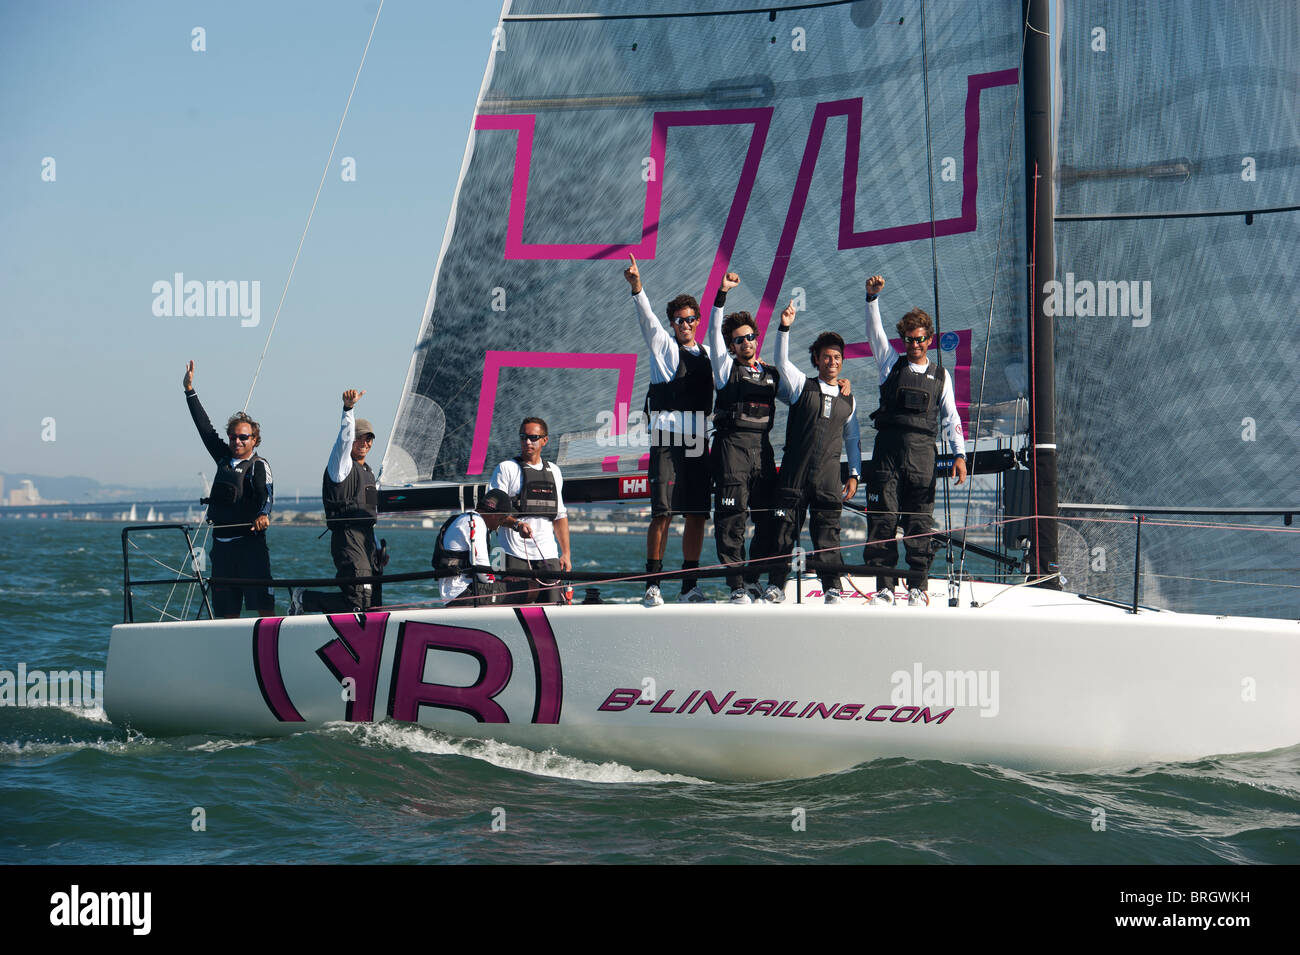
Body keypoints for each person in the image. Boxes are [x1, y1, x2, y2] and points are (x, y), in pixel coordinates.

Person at [861, 275, 967, 605]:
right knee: (883, 520)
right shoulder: (890, 363)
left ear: (929, 339)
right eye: (909, 340)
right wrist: (871, 299)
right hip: (888, 454)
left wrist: (960, 455)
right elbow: (874, 334)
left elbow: (951, 417)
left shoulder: (941, 375)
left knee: (919, 523)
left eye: (920, 340)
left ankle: (918, 586)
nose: (915, 345)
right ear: (903, 340)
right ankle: (884, 587)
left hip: (923, 455)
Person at [622, 254, 712, 606]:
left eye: (690, 319)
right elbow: (647, 321)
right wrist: (637, 288)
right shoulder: (663, 347)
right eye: (679, 320)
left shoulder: (709, 353)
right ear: (672, 324)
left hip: (698, 441)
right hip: (666, 439)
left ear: (698, 321)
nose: (685, 324)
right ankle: (653, 583)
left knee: (697, 514)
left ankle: (690, 585)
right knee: (662, 511)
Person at [706, 272, 797, 604]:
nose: (746, 343)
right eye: (739, 340)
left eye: (750, 337)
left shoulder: (772, 375)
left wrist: (839, 387)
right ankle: (736, 587)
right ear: (732, 345)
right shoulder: (724, 368)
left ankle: (754, 579)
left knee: (769, 519)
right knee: (732, 520)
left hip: (762, 451)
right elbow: (714, 336)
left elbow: (804, 396)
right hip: (731, 451)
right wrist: (721, 295)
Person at [767, 301, 861, 603]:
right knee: (783, 532)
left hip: (828, 480)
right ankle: (775, 586)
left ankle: (831, 587)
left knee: (827, 536)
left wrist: (855, 474)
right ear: (817, 360)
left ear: (842, 362)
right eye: (826, 357)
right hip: (795, 477)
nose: (832, 362)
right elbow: (781, 360)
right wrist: (785, 327)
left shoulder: (850, 399)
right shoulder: (799, 386)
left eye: (836, 357)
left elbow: (853, 438)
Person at [182, 360, 275, 618]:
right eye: (233, 436)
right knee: (226, 611)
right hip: (221, 549)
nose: (237, 441)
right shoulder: (222, 458)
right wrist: (190, 390)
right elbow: (205, 429)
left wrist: (263, 514)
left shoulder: (258, 465)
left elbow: (266, 494)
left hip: (250, 547)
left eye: (243, 437)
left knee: (263, 605)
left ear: (254, 440)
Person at [291, 389, 389, 615]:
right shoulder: (341, 466)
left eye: (368, 438)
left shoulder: (370, 474)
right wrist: (348, 410)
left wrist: (376, 552)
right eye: (359, 437)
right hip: (347, 539)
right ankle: (303, 599)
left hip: (367, 544)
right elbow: (344, 441)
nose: (363, 442)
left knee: (373, 604)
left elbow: (369, 516)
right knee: (357, 602)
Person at [489, 417, 571, 604]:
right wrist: (516, 524)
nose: (527, 442)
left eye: (533, 437)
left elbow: (560, 516)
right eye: (523, 437)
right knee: (515, 611)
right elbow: (491, 513)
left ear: (544, 440)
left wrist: (566, 553)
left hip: (547, 555)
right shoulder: (506, 469)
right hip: (513, 553)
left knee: (553, 607)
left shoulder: (555, 472)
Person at [432, 489, 531, 606]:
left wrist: (499, 582)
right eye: (503, 517)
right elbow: (483, 570)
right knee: (531, 588)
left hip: (452, 594)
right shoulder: (476, 523)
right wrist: (497, 582)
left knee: (513, 587)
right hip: (463, 593)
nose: (503, 521)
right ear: (495, 515)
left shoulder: (463, 519)